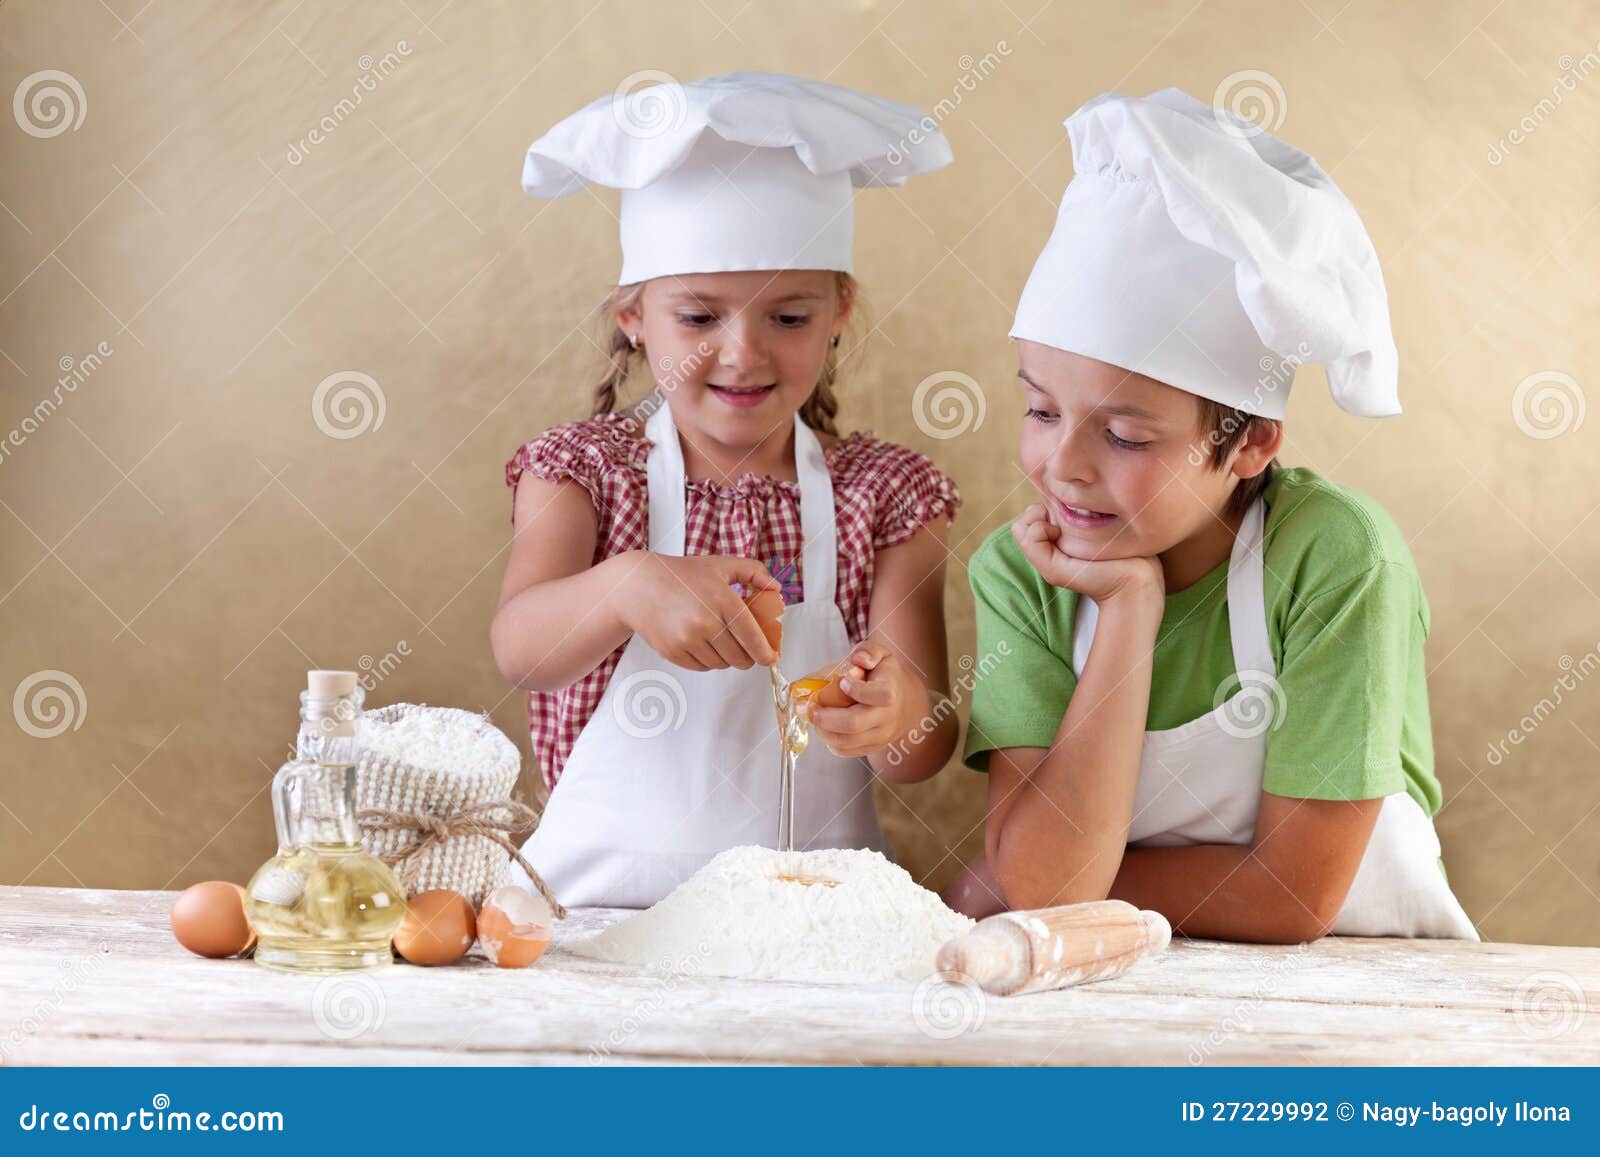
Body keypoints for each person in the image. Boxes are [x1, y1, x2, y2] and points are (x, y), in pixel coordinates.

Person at [948, 88, 1477, 942]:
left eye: (1122, 435)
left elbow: (1294, 899)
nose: (1064, 468)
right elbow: (1045, 884)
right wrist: (1126, 607)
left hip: (1357, 998)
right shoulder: (1023, 570)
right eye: (1041, 411)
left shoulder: (1337, 561)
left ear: (1250, 445)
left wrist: (1037, 879)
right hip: (1119, 990)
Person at [493, 73, 962, 908]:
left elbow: (921, 750)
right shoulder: (586, 474)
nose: (743, 355)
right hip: (593, 926)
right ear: (635, 315)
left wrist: (896, 715)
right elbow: (522, 653)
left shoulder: (884, 497)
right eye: (700, 318)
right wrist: (629, 581)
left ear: (839, 309)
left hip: (810, 932)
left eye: (788, 318)